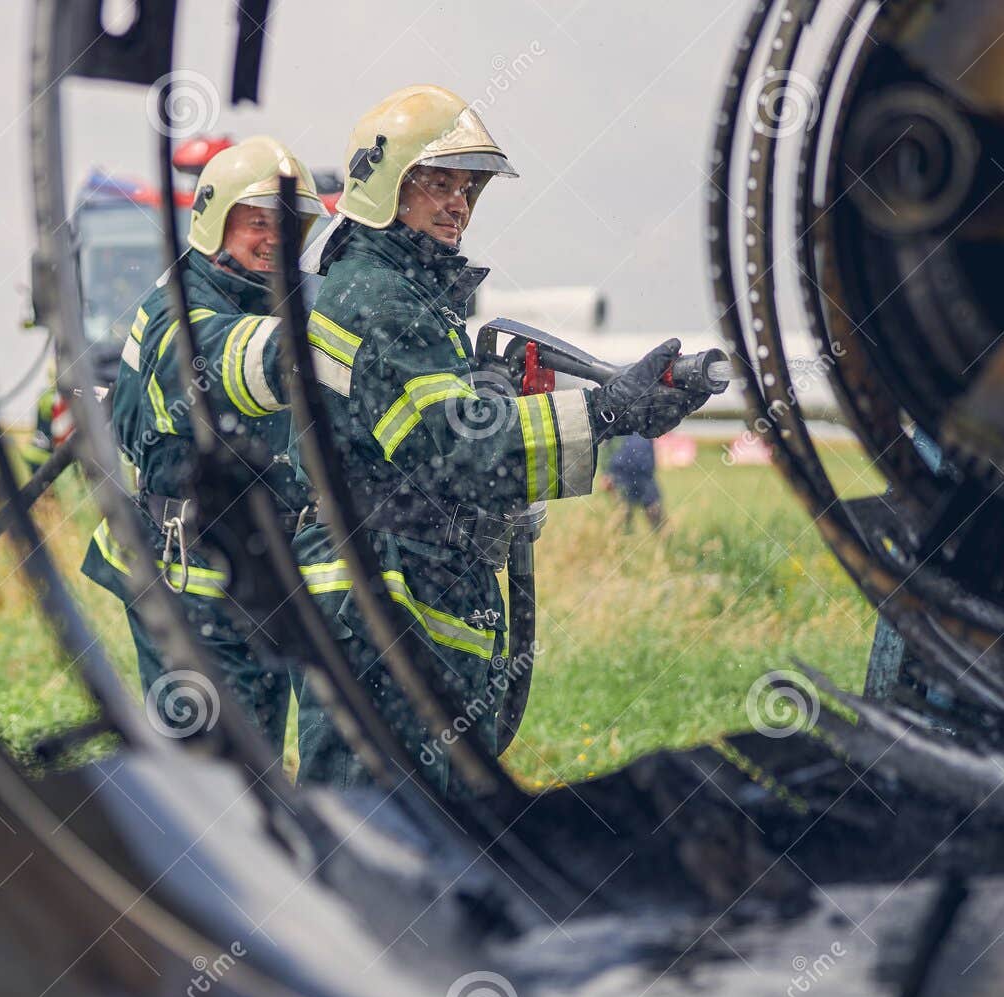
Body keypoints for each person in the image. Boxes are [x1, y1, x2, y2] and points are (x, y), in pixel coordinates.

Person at [291, 85, 714, 794]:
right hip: (387, 612)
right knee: (385, 842)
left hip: (409, 604)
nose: (458, 203)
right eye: (438, 182)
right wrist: (606, 413)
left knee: (422, 843)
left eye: (467, 188)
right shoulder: (382, 300)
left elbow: (433, 433)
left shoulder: (397, 290)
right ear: (383, 186)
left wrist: (499, 392)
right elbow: (463, 453)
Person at [81, 137, 327, 748]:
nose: (277, 238)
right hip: (186, 583)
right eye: (259, 222)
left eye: (291, 225)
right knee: (218, 767)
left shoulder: (278, 298)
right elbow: (229, 361)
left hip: (255, 573)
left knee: (258, 751)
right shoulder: (177, 312)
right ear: (215, 222)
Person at [604, 432, 664, 530]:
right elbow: (606, 449)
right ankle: (623, 541)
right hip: (621, 474)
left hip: (645, 474)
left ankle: (664, 541)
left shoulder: (646, 419)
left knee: (654, 510)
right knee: (623, 513)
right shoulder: (613, 419)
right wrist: (606, 473)